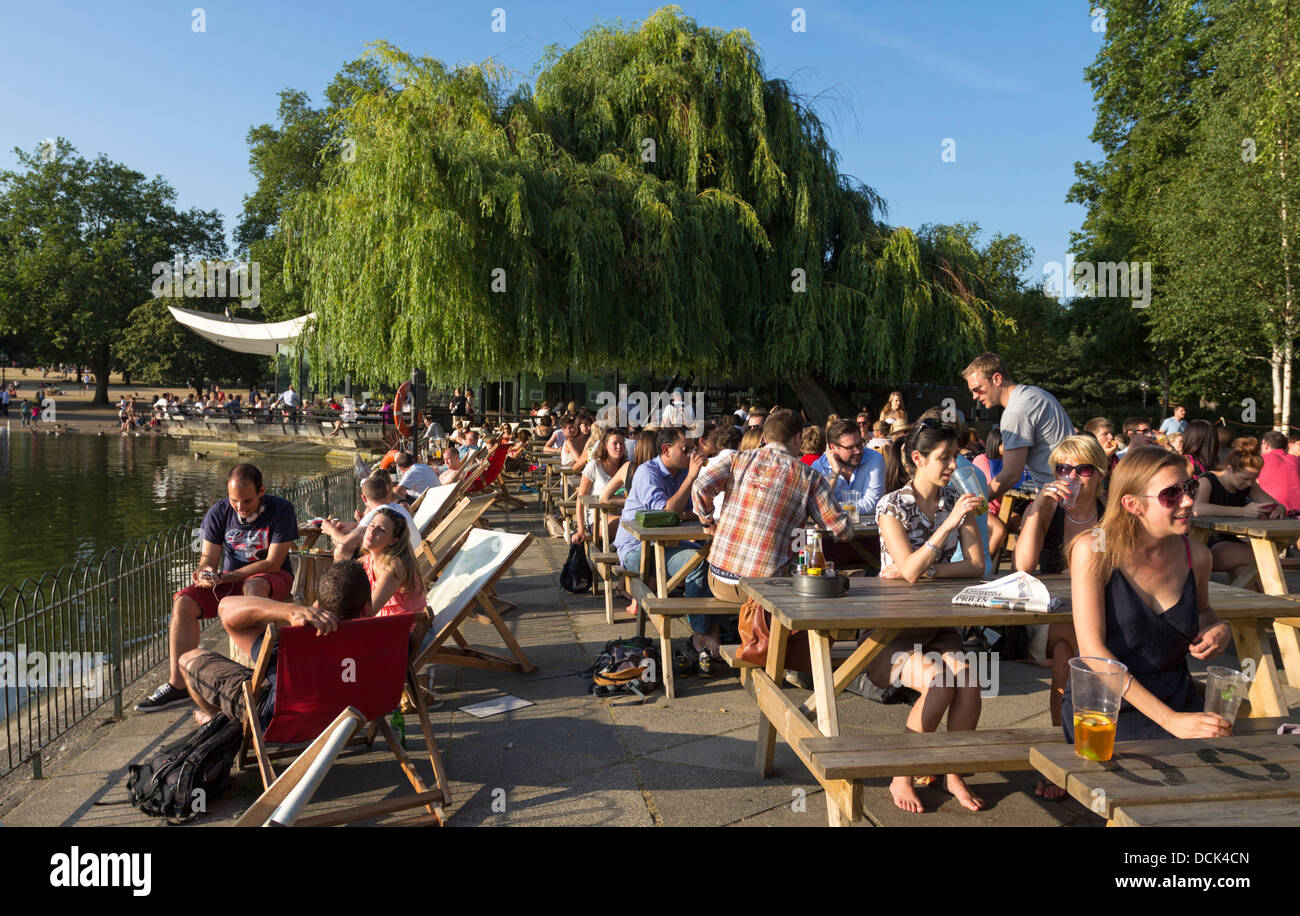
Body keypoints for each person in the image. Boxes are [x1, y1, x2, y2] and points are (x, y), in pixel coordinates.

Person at [1066, 446, 1233, 744]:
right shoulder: (1094, 550)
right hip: (1105, 711)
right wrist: (1171, 722)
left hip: (1177, 698)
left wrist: (1218, 629)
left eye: (1190, 487)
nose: (1189, 500)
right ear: (1132, 504)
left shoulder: (1197, 556)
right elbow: (1092, 652)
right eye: (1171, 494)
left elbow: (1203, 613)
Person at [872, 418, 986, 813]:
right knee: (940, 681)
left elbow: (975, 567)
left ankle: (952, 771)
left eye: (955, 456)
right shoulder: (891, 505)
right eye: (945, 457)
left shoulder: (955, 497)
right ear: (918, 458)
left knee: (970, 680)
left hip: (938, 625)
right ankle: (901, 775)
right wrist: (950, 523)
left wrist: (930, 568)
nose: (954, 465)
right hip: (892, 632)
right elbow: (907, 570)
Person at [693, 409, 851, 673]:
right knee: (823, 585)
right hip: (764, 590)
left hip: (719, 580)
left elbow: (700, 487)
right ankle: (804, 664)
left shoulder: (736, 459)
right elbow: (841, 531)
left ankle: (786, 658)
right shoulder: (808, 476)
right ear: (798, 439)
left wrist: (708, 521)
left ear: (765, 436)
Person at [137, 464, 298, 712]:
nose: (241, 508)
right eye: (235, 501)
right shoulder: (219, 512)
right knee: (184, 601)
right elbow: (207, 559)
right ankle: (179, 685)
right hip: (228, 580)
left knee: (253, 588)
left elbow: (273, 562)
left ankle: (267, 675)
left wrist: (227, 576)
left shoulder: (281, 509)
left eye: (247, 501)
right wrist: (205, 573)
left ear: (262, 491)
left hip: (271, 578)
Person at [1013, 435, 1109, 796]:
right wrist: (1038, 505)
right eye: (1062, 468)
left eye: (1082, 469)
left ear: (1099, 474)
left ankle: (1069, 753)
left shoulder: (1112, 511)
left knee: (1071, 655)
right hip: (1056, 612)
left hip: (1103, 606)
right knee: (1068, 652)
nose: (1071, 476)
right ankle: (1069, 751)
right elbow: (1023, 565)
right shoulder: (1048, 508)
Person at [178, 561, 371, 726]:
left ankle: (220, 725)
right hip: (349, 715)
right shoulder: (384, 637)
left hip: (283, 721)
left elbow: (225, 608)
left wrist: (289, 610)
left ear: (317, 606)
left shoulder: (292, 645)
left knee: (188, 658)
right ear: (366, 608)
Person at [612, 428, 709, 618]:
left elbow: (694, 510)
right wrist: (691, 477)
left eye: (692, 449)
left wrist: (685, 512)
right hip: (636, 548)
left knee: (717, 556)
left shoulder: (680, 473)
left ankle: (716, 625)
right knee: (696, 563)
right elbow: (667, 512)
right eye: (685, 450)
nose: (690, 455)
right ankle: (700, 633)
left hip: (664, 543)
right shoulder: (647, 472)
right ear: (666, 450)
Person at [963, 353, 1073, 496]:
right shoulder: (1035, 393)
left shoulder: (1015, 411)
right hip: (1074, 489)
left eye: (977, 389)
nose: (975, 396)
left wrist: (979, 501)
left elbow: (1010, 475)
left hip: (1059, 496)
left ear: (997, 379)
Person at [1192, 439, 1284, 582]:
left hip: (1227, 541)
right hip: (1202, 542)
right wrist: (1243, 511)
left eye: (1254, 479)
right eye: (1245, 478)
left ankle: (1256, 602)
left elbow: (1274, 503)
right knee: (1263, 558)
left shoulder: (1248, 485)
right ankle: (1276, 600)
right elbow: (1197, 508)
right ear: (1229, 468)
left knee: (1246, 573)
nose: (1250, 483)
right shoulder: (1207, 480)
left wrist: (1278, 507)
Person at [324, 475, 421, 561]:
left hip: (397, 563)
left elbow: (344, 544)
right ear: (387, 493)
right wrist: (353, 526)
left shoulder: (377, 512)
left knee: (340, 551)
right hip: (414, 557)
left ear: (364, 498)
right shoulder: (398, 507)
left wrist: (331, 530)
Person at [810, 418, 887, 517]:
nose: (858, 451)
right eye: (850, 448)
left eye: (859, 445)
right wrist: (835, 472)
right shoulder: (819, 467)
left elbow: (871, 505)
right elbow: (816, 505)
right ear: (833, 448)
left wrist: (831, 507)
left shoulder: (874, 459)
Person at [361, 507, 428, 617]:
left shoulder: (395, 567)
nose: (372, 531)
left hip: (407, 631)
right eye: (372, 525)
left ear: (393, 540)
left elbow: (368, 612)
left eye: (381, 529)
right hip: (385, 627)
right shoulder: (368, 560)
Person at [572, 427, 629, 549]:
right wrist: (581, 529)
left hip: (622, 515)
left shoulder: (626, 467)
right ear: (605, 446)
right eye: (615, 443)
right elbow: (580, 499)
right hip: (597, 519)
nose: (619, 447)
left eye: (622, 443)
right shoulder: (594, 466)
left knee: (631, 524)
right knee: (626, 525)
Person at [1259, 430, 1300, 514]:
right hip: (1298, 509)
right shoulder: (1296, 460)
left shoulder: (1261, 460)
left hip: (1274, 510)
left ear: (1266, 445)